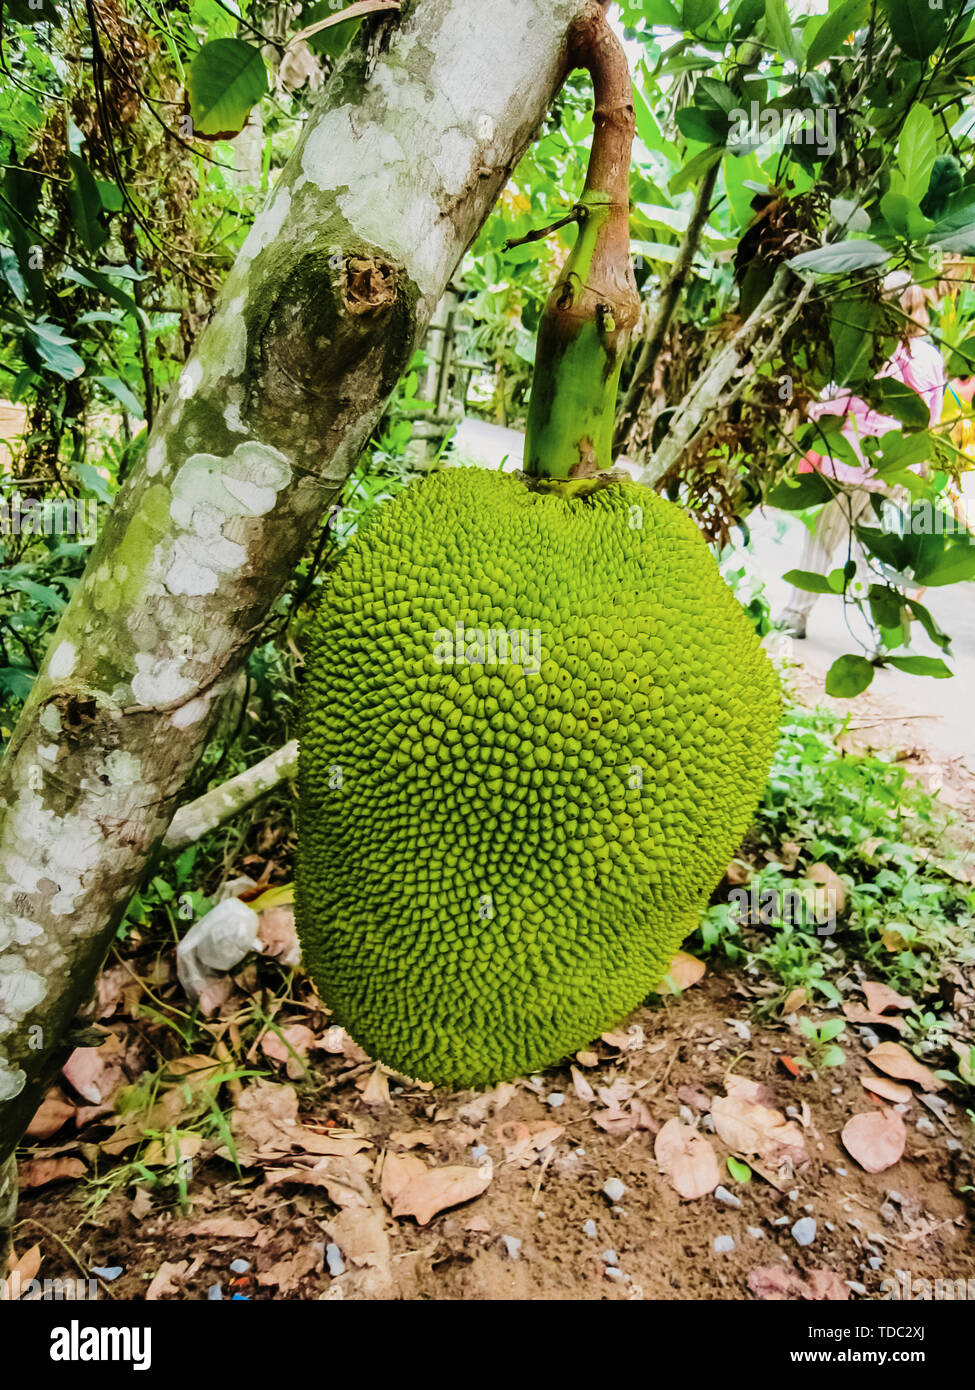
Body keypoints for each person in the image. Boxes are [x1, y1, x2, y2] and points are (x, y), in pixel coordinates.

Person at [777, 276, 947, 639]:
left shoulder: (869, 351)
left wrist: (808, 408)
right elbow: (929, 419)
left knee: (821, 542)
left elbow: (834, 402)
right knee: (880, 554)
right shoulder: (932, 359)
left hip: (848, 467)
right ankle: (880, 638)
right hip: (896, 471)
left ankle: (794, 617)